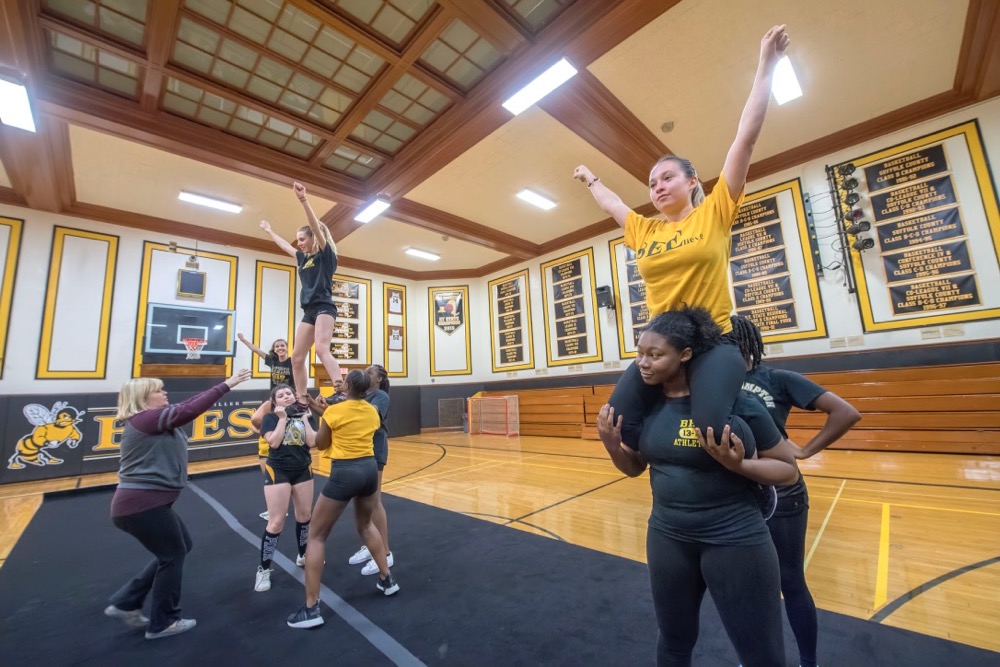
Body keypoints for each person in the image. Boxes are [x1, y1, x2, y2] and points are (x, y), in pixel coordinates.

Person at [574, 25, 791, 450]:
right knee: (614, 422)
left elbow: (745, 137)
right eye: (651, 183)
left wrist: (766, 64)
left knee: (710, 426)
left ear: (692, 182)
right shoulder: (645, 229)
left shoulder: (714, 211)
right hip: (661, 344)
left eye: (667, 177)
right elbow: (612, 203)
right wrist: (589, 179)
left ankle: (766, 461)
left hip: (714, 341)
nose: (656, 187)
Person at [597, 307, 797, 666]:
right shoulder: (650, 407)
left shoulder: (737, 404)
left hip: (735, 538)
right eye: (639, 353)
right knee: (674, 642)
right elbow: (634, 468)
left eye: (655, 355)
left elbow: (787, 471)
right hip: (667, 535)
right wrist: (614, 446)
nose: (643, 363)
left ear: (685, 355)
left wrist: (741, 465)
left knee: (762, 655)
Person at [731, 315, 861, 667]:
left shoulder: (777, 379)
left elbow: (845, 412)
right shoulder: (713, 383)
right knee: (751, 585)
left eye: (727, 340)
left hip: (781, 493)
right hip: (735, 494)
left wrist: (806, 450)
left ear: (743, 342)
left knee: (790, 580)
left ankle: (808, 662)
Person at [106, 369, 251, 640]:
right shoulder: (146, 419)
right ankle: (163, 622)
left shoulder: (151, 419)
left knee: (179, 547)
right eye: (158, 390)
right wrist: (227, 385)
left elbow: (184, 407)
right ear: (143, 397)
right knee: (172, 555)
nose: (165, 393)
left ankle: (127, 601)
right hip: (142, 505)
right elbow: (189, 411)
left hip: (143, 504)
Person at [287, 370, 399, 629]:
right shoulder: (371, 411)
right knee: (366, 525)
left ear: (346, 386)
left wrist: (314, 416)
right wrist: (323, 411)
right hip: (369, 470)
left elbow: (322, 444)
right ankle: (387, 579)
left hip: (345, 472)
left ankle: (311, 608)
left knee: (316, 536)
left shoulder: (335, 412)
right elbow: (351, 423)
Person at [259, 181, 343, 408]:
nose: (300, 243)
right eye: (298, 240)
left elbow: (316, 228)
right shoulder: (302, 259)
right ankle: (302, 396)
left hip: (325, 307)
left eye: (303, 239)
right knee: (297, 358)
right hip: (308, 311)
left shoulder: (326, 256)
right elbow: (286, 246)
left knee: (322, 348)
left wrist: (303, 200)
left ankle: (340, 388)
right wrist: (269, 231)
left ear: (313, 238)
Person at [255, 383, 317, 593]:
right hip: (279, 471)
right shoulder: (270, 418)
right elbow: (273, 442)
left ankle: (303, 554)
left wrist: (307, 421)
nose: (286, 397)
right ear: (275, 402)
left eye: (289, 393)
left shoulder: (305, 415)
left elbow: (312, 441)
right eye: (281, 395)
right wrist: (282, 419)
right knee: (277, 522)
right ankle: (263, 569)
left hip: (303, 470)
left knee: (305, 515)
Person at [346, 364, 393, 575]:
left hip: (375, 450)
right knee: (363, 502)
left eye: (370, 372)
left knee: (374, 501)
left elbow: (368, 416)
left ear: (380, 378)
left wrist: (348, 396)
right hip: (360, 450)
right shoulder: (363, 396)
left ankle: (385, 552)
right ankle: (371, 545)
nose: (366, 373)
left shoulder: (381, 396)